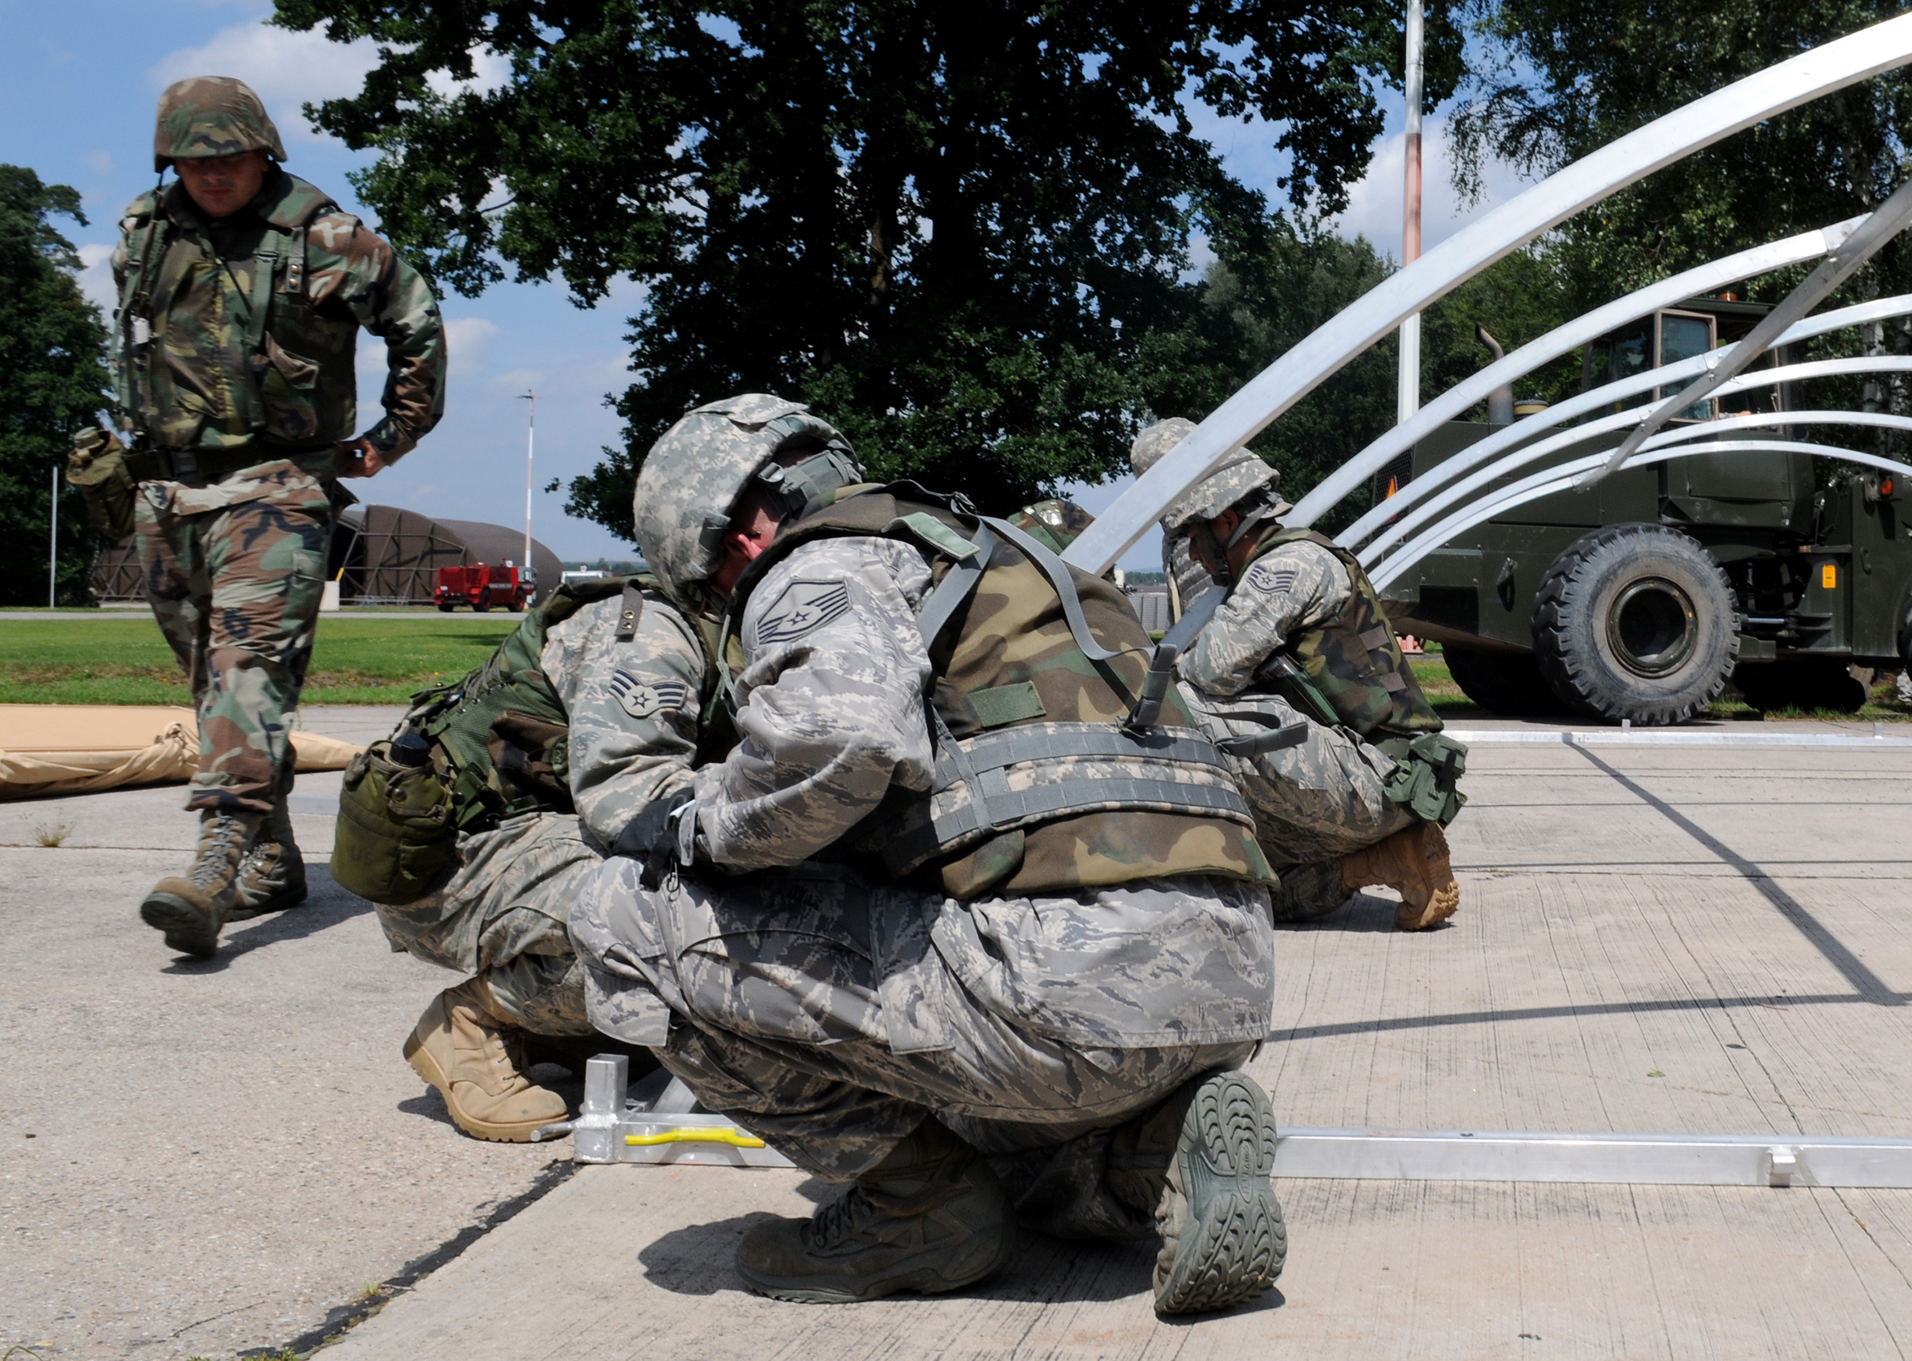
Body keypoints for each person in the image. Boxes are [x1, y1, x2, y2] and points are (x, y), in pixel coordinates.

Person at [566, 398, 1288, 1315]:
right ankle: (1146, 1154)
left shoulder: (816, 564)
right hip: (1226, 978)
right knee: (968, 1112)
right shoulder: (1004, 557)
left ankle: (918, 1208)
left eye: (712, 591)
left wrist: (691, 827)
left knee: (620, 910)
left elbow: (845, 738)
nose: (726, 608)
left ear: (737, 537)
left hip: (1063, 984)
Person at [333, 397, 860, 1140]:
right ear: (734, 537)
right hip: (460, 864)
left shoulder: (750, 625)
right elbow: (634, 810)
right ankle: (476, 1020)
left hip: (541, 842)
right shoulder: (653, 638)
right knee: (674, 917)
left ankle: (576, 1023)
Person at [77, 77, 445, 958]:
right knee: (217, 685)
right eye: (195, 159)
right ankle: (275, 861)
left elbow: (416, 319)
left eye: (229, 157)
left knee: (247, 675)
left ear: (263, 150)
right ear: (173, 159)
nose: (212, 174)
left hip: (278, 487)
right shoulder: (144, 229)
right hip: (167, 493)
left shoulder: (327, 235)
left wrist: (391, 437)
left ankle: (215, 861)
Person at [1131, 419, 1467, 931]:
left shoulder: (1288, 566)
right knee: (1236, 887)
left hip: (1382, 778)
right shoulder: (1274, 563)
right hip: (1375, 780)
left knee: (1183, 712)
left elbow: (1205, 675)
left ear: (1225, 520)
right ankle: (1381, 860)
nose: (1192, 554)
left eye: (1191, 538)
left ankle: (1384, 839)